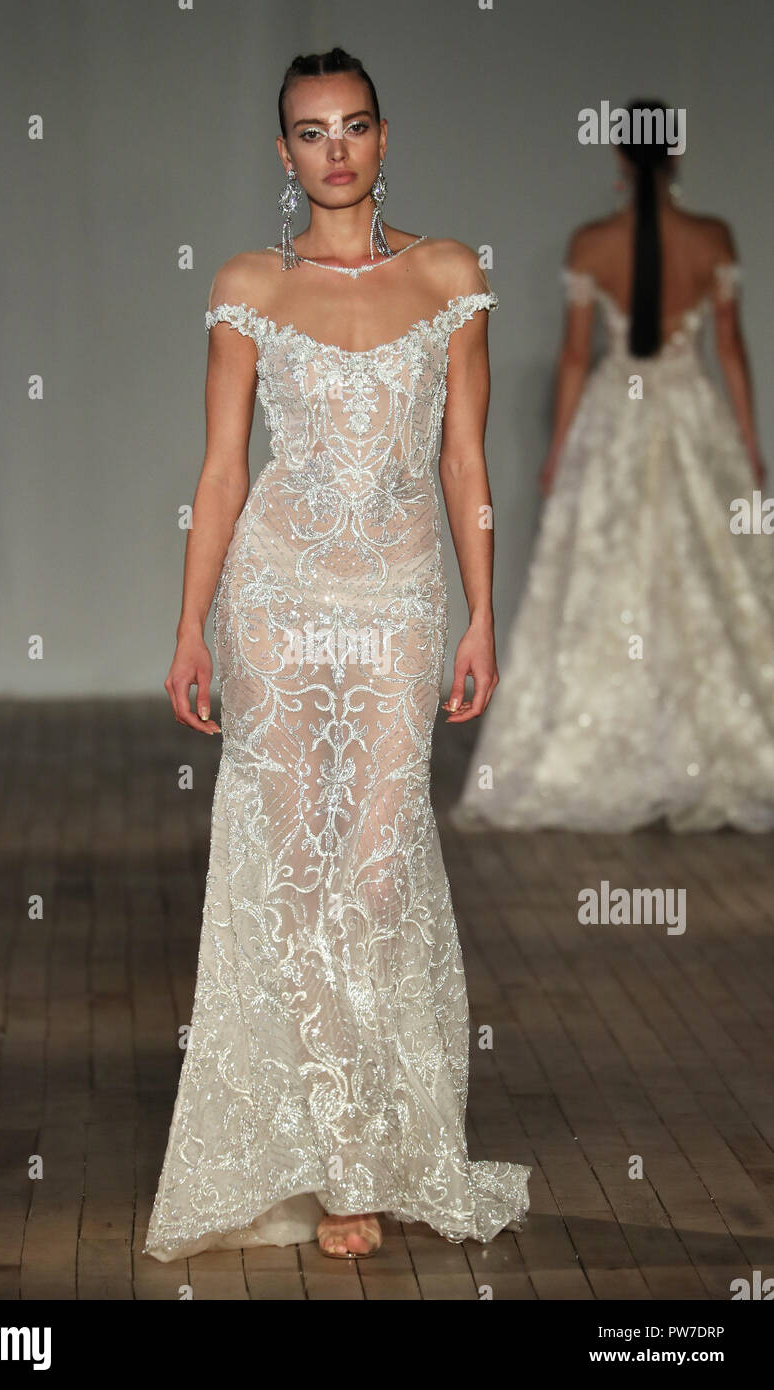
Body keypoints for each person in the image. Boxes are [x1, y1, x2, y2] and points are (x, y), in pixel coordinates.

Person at [143, 47, 530, 1263]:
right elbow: (222, 470)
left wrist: (480, 613)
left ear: (383, 136)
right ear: (284, 153)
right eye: (311, 132)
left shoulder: (450, 273)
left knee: (374, 868)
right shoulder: (249, 282)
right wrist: (190, 622)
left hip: (403, 600)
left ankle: (369, 1142)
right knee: (292, 871)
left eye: (354, 125)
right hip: (275, 597)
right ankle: (338, 1161)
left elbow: (465, 463)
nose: (336, 149)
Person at [452, 99, 774, 835]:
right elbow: (730, 350)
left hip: (616, 421)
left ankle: (606, 752)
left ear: (621, 159)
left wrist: (562, 448)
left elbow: (574, 357)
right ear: (677, 154)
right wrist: (750, 444)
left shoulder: (592, 243)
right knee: (708, 576)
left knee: (609, 578)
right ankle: (711, 747)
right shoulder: (713, 237)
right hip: (693, 414)